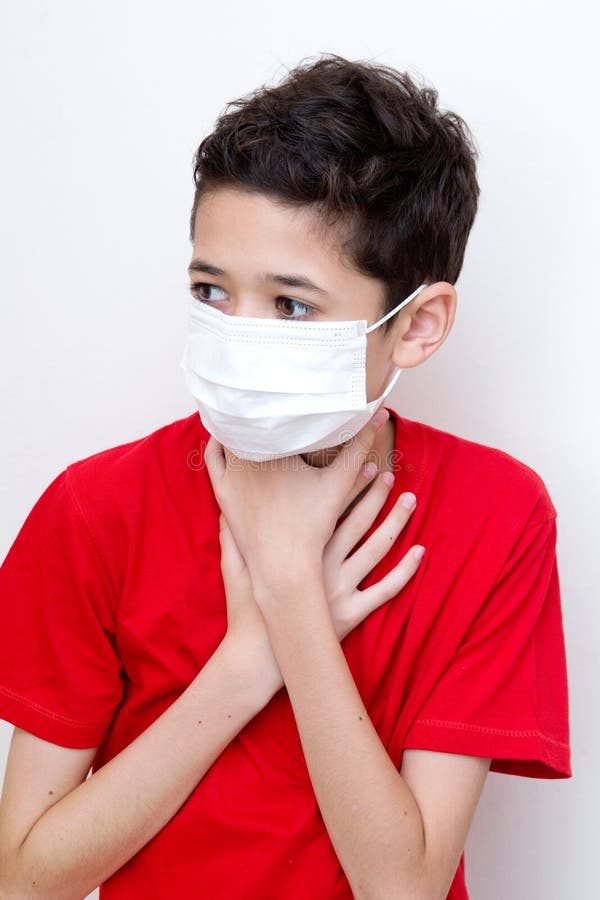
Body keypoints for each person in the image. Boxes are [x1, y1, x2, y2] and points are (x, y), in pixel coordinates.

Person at [0, 53, 571, 900]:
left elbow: (402, 889)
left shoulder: (497, 514)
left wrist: (290, 593)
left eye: (292, 304)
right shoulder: (97, 509)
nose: (237, 331)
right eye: (211, 289)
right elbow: (26, 880)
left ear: (415, 326)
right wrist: (248, 657)